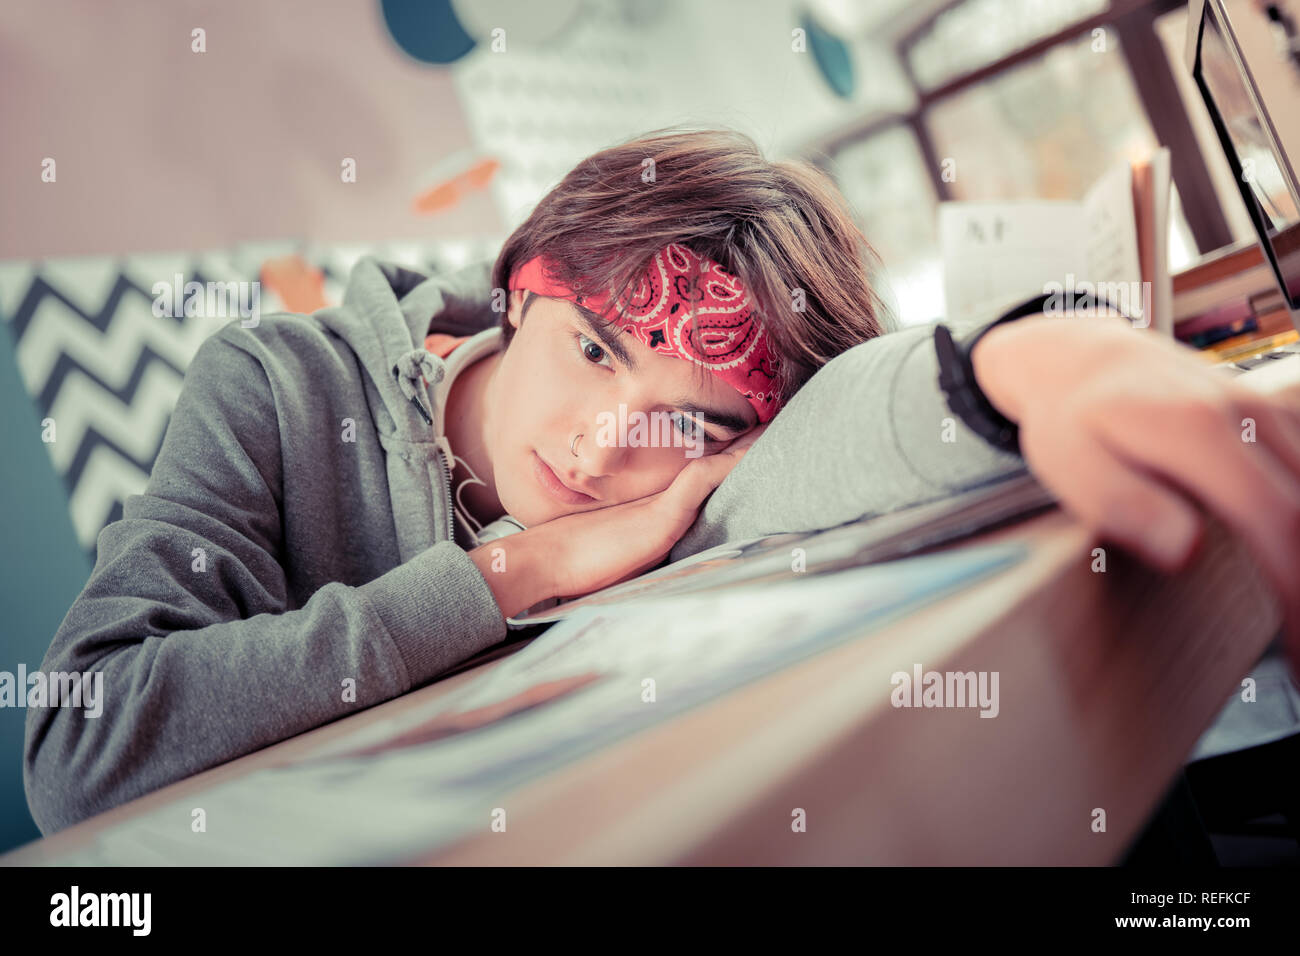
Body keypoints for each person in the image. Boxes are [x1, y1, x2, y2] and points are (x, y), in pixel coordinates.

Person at [24, 127, 1300, 835]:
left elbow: (816, 434)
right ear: (522, 283)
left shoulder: (696, 480)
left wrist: (1013, 359)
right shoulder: (278, 386)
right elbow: (83, 738)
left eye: (687, 424)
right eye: (593, 347)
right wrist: (504, 571)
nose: (599, 449)